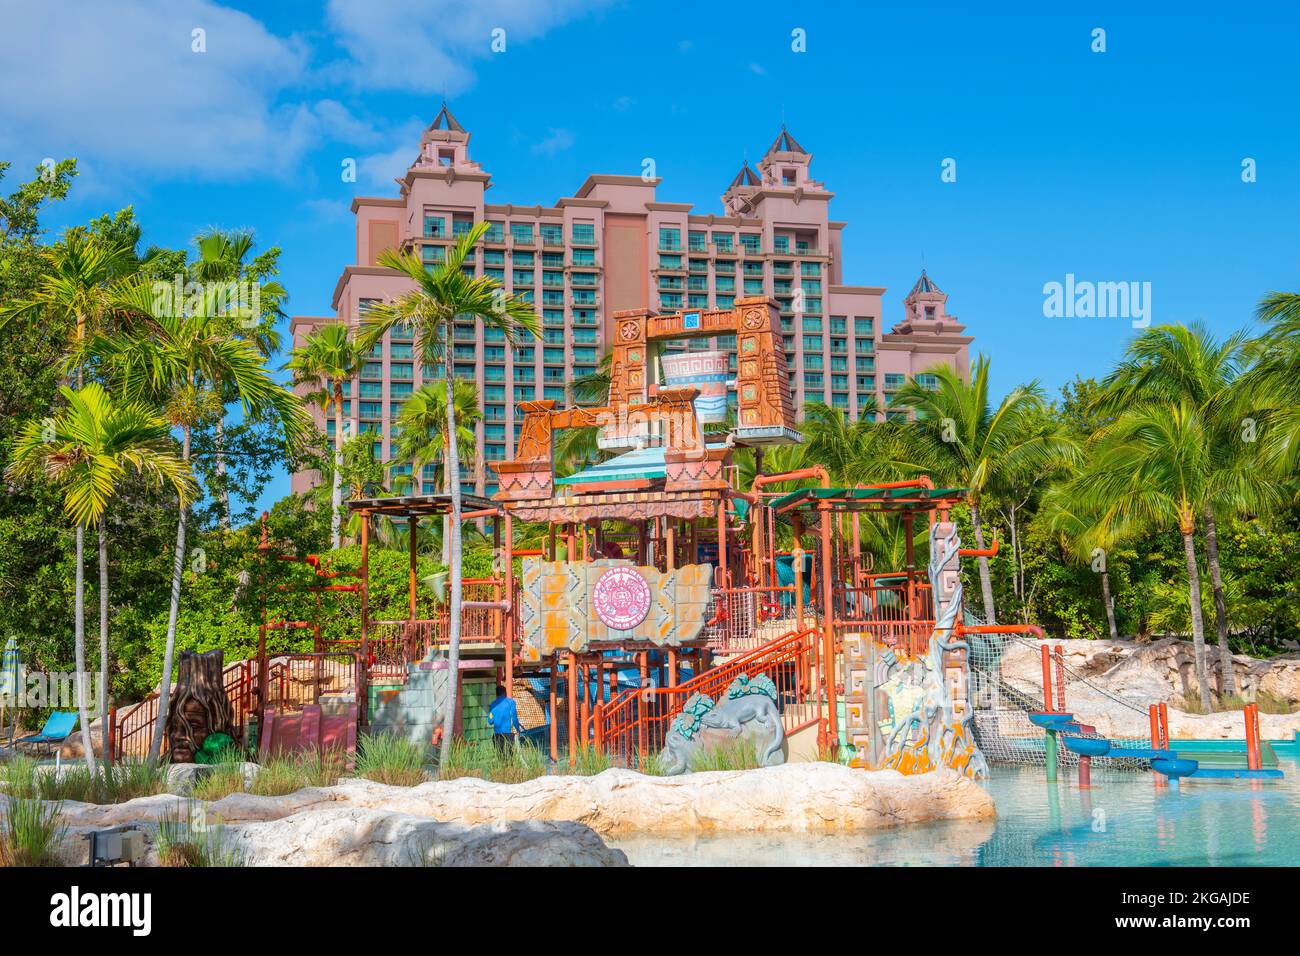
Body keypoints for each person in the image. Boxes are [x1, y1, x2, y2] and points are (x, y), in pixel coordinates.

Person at [487, 684, 523, 753]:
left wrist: (491, 713)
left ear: (496, 694)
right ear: (505, 693)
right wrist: (518, 730)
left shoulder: (493, 704)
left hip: (496, 736)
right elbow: (514, 718)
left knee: (501, 757)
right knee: (509, 757)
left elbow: (490, 721)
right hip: (507, 736)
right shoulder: (511, 702)